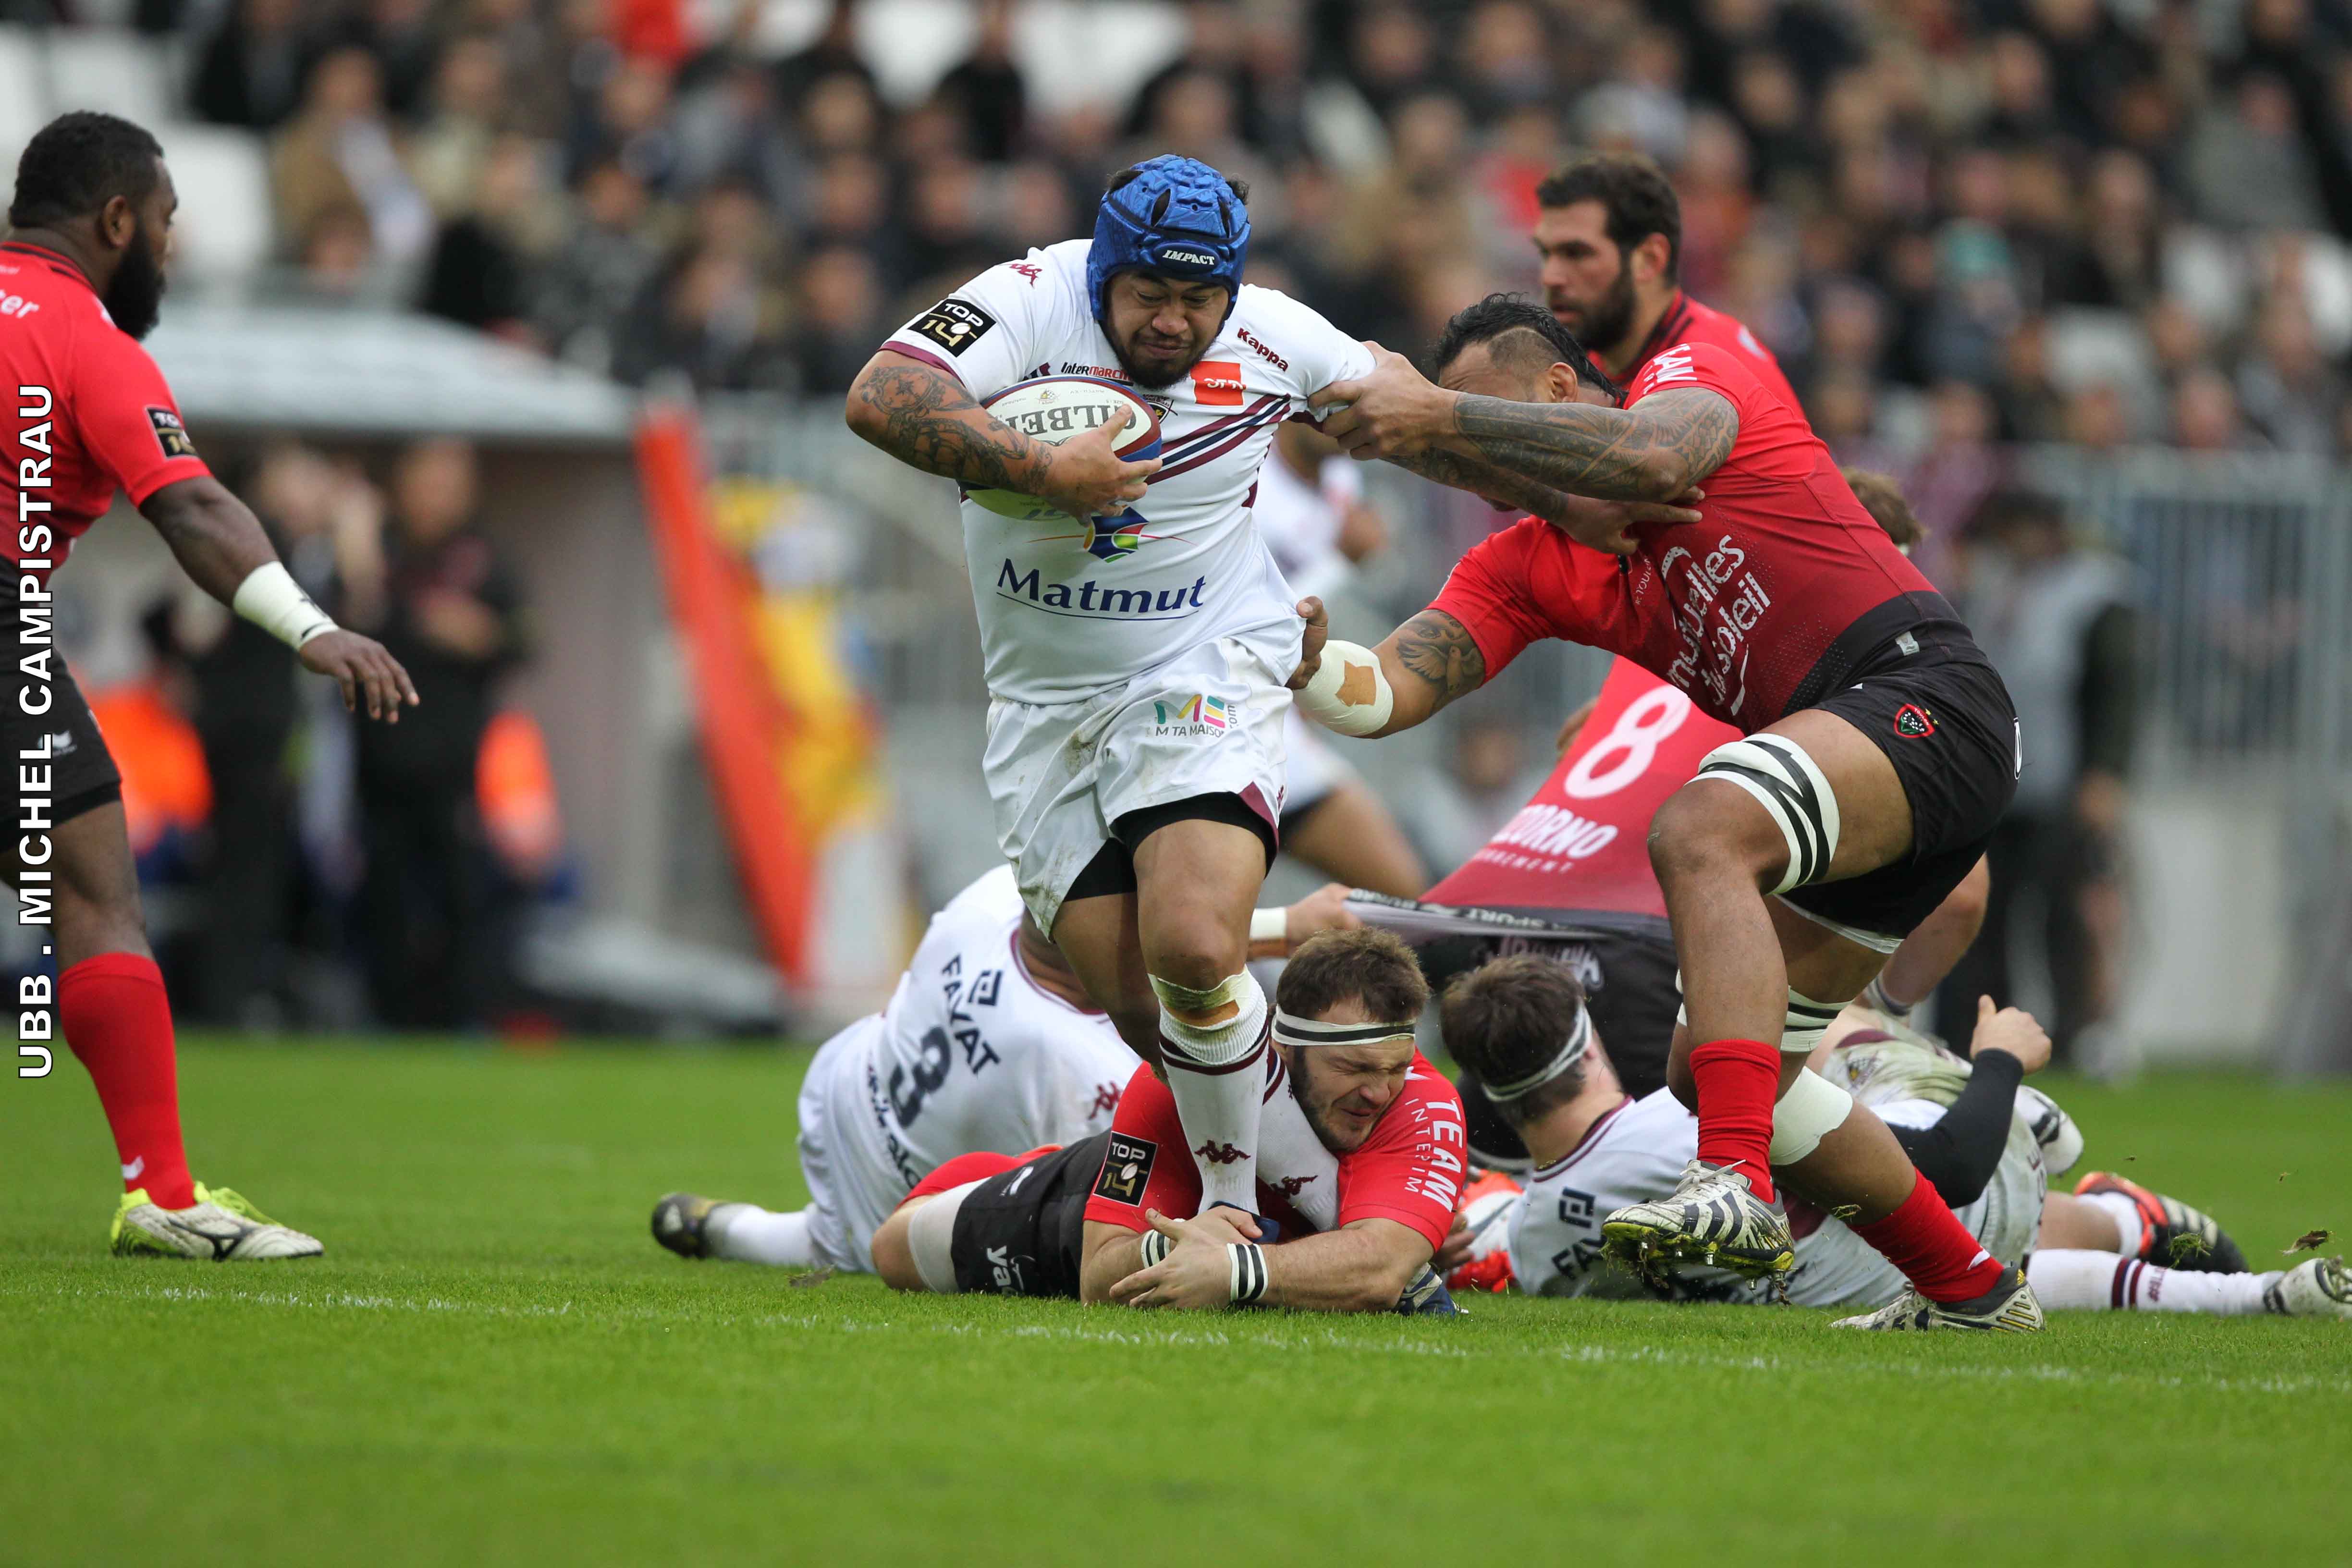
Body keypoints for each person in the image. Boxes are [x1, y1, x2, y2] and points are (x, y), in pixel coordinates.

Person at [1303, 294, 2041, 1330]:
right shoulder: (1522, 567)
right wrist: (1293, 658)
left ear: (1562, 388)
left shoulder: (1685, 385)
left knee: (1699, 828)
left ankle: (1731, 1190)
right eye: (1445, 434)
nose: (1465, 447)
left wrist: (1427, 414)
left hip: (1928, 696)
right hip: (1864, 774)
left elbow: (1652, 462)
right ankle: (1972, 1289)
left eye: (1478, 412)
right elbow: (1381, 694)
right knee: (1718, 1072)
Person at [842, 155, 1387, 1227]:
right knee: (1137, 1001)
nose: (1176, 322)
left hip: (1200, 670)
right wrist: (1039, 470)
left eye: (1200, 300)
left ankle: (1250, 1216)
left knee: (1193, 946)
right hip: (1045, 712)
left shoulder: (1277, 333)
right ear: (1105, 276)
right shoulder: (1029, 299)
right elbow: (881, 396)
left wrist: (1558, 469)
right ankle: (1323, 1207)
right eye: (1151, 296)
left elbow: (1408, 405)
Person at [1, 112, 416, 1259]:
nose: (174, 249)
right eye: (170, 222)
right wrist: (312, 627)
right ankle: (163, 1193)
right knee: (93, 899)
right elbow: (188, 505)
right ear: (118, 220)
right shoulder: (88, 341)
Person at [1440, 957, 2352, 1322]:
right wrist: (2001, 1064)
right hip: (1965, 1178)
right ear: (1594, 1039)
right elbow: (1948, 1166)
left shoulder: (1534, 1238)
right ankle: (2080, 1165)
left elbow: (1501, 1241)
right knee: (1825, 1022)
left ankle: (2244, 1285)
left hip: (1885, 1272)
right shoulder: (1691, 1118)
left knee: (1908, 1220)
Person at [649, 869, 1358, 1275]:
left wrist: (1287, 923)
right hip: (901, 1197)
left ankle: (715, 1228)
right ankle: (726, 1230)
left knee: (823, 1239)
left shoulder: (990, 897)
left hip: (846, 1092)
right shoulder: (1081, 1066)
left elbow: (1134, 934)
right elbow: (1088, 1188)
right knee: (854, 1242)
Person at [870, 927, 1468, 1315]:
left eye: (1395, 1066)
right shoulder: (1171, 1087)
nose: (1378, 1091)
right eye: (1353, 1066)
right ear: (1285, 1050)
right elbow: (1097, 1277)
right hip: (1073, 1206)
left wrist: (1234, 1270)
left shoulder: (1422, 1104)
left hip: (1203, 1223)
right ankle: (1025, 1169)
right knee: (897, 1249)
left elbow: (1383, 1269)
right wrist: (1171, 1248)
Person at [345, 437, 528, 1030]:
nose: (434, 496)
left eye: (447, 484)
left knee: (459, 894)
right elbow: (348, 622)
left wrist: (480, 634)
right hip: (378, 758)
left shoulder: (483, 557)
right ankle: (388, 1019)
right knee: (384, 893)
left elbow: (521, 639)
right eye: (425, 481)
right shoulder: (381, 551)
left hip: (453, 763)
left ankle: (462, 1020)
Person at [1252, 418, 1425, 899]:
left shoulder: (1345, 476)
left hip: (1282, 725)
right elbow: (1253, 607)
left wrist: (1365, 557)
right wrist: (1342, 557)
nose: (1344, 420)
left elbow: (1376, 574)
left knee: (1401, 893)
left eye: (1354, 406)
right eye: (1327, 404)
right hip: (1213, 716)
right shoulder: (1246, 477)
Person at [1531, 152, 1802, 412]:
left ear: (1650, 259)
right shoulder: (1591, 362)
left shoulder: (1713, 372)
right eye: (1546, 253)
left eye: (1577, 253)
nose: (1550, 276)